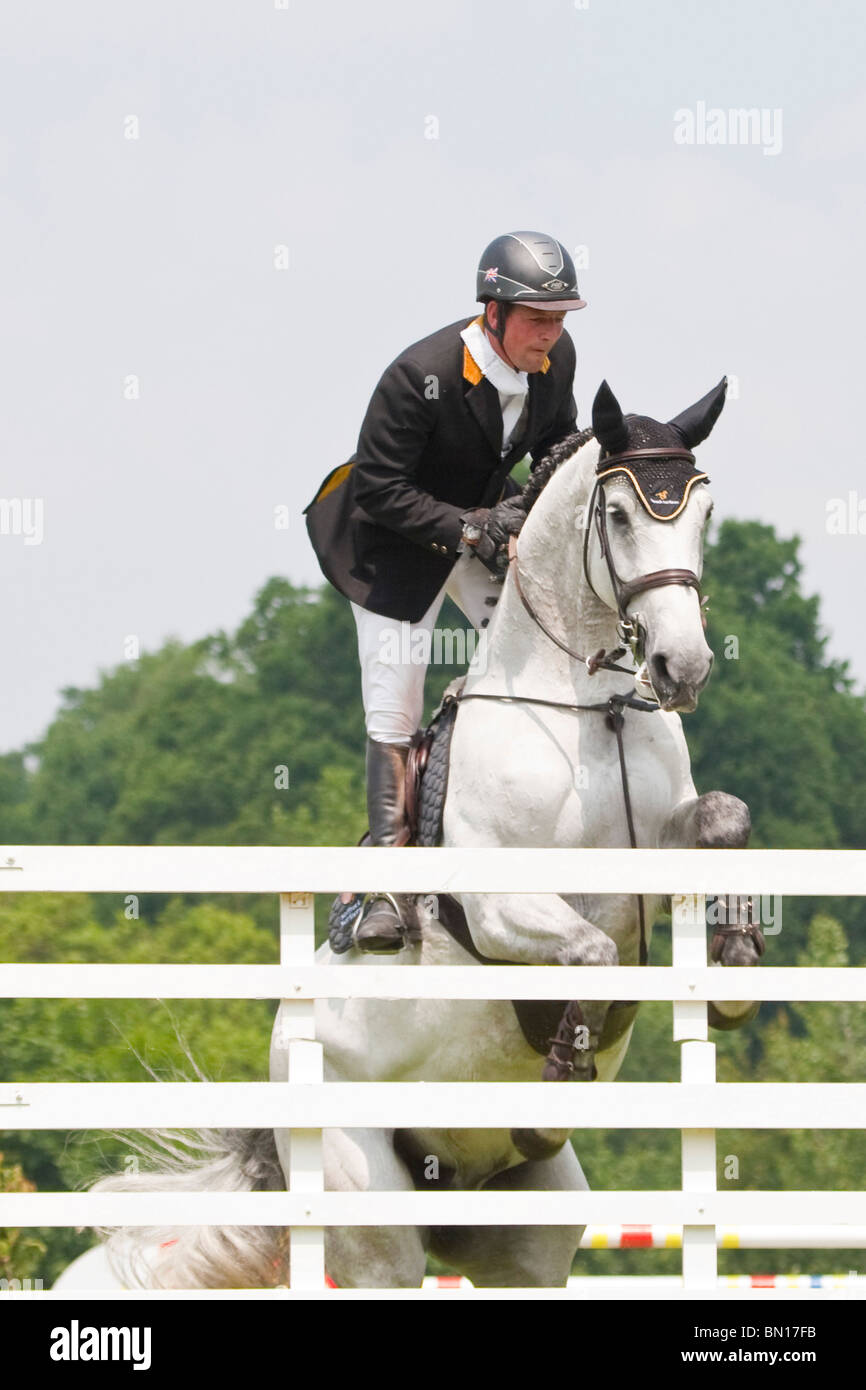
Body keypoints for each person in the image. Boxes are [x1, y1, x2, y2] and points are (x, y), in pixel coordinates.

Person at [304, 231, 586, 950]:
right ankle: (384, 889)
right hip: (390, 547)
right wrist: (471, 528)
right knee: (395, 710)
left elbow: (560, 447)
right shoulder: (419, 373)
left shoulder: (555, 364)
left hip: (479, 528)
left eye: (560, 319)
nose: (550, 337)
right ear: (493, 313)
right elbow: (381, 487)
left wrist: (524, 514)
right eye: (537, 320)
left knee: (540, 643)